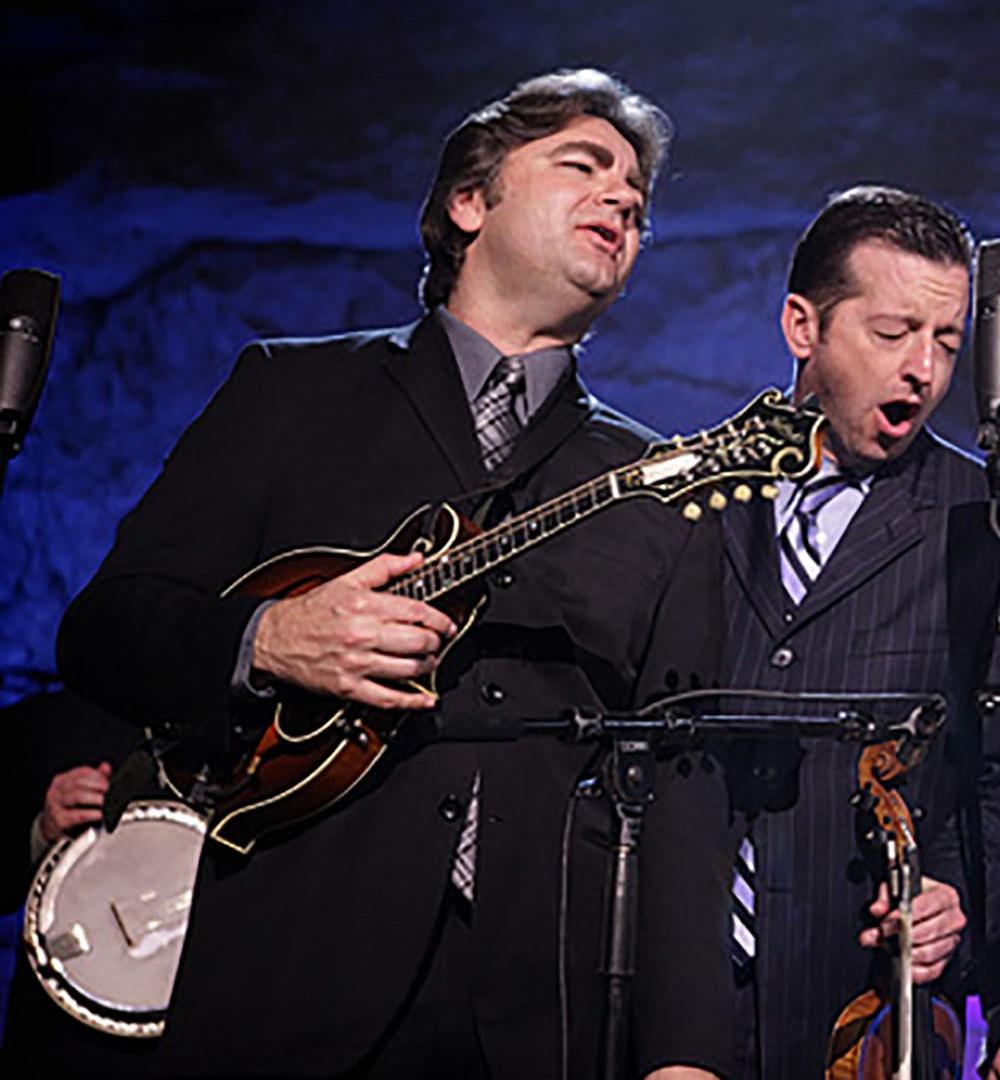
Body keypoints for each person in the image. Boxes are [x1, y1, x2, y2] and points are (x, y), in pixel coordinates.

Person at [48, 69, 731, 1080]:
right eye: (584, 167)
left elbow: (686, 789)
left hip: (541, 1022)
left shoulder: (657, 486)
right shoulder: (289, 392)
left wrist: (686, 1053)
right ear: (469, 202)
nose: (623, 199)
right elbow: (106, 631)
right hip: (288, 988)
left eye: (637, 194)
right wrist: (267, 642)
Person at [719, 186, 1000, 1079]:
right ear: (803, 327)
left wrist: (956, 896)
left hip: (867, 1012)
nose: (924, 369)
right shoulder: (691, 502)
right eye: (893, 333)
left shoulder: (998, 526)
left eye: (946, 341)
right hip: (686, 1000)